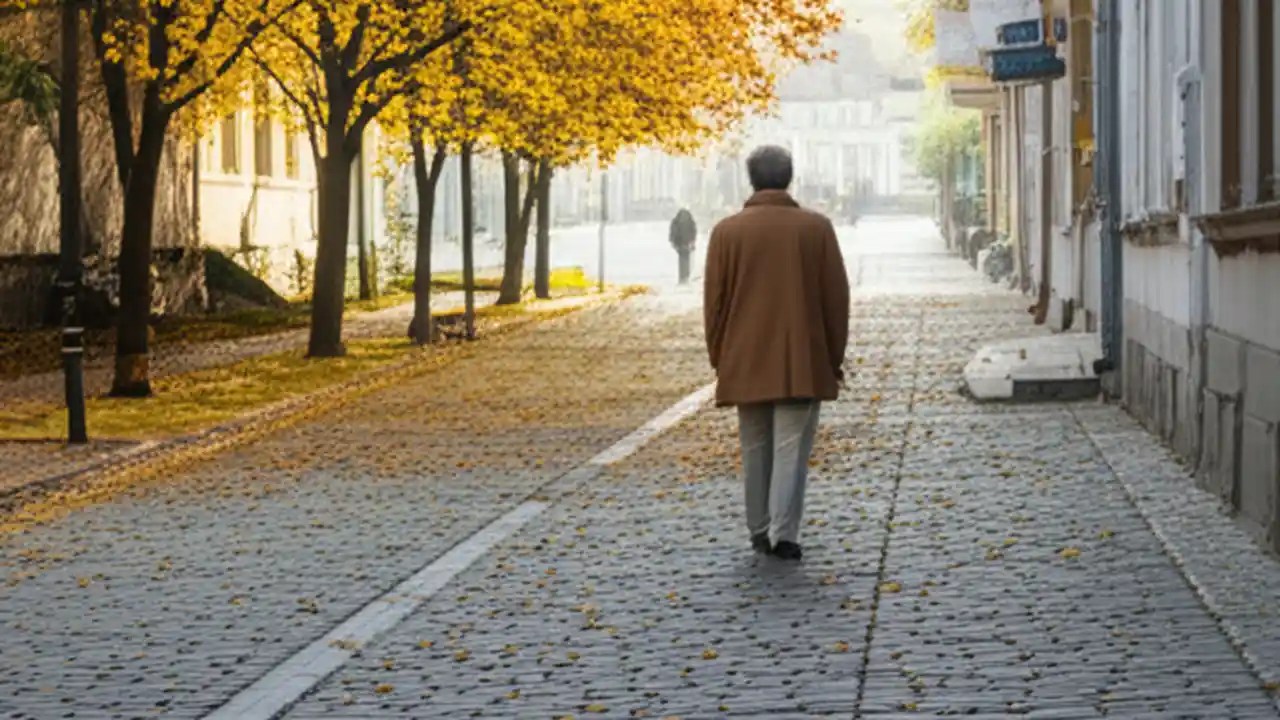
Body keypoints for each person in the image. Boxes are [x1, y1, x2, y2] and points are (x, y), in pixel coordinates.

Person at [703, 145, 850, 561]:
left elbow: (714, 302)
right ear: (790, 177)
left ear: (751, 179)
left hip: (743, 356)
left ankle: (757, 527)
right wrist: (832, 358)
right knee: (790, 446)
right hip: (801, 357)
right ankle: (783, 533)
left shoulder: (726, 232)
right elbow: (835, 300)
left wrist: (720, 357)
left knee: (753, 445)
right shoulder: (815, 228)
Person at [669, 208, 697, 284]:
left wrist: (673, 242)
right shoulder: (690, 221)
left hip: (679, 243)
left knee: (681, 260)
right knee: (687, 259)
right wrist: (693, 241)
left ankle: (682, 277)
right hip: (687, 243)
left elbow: (673, 232)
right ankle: (686, 276)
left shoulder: (676, 221)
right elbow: (693, 231)